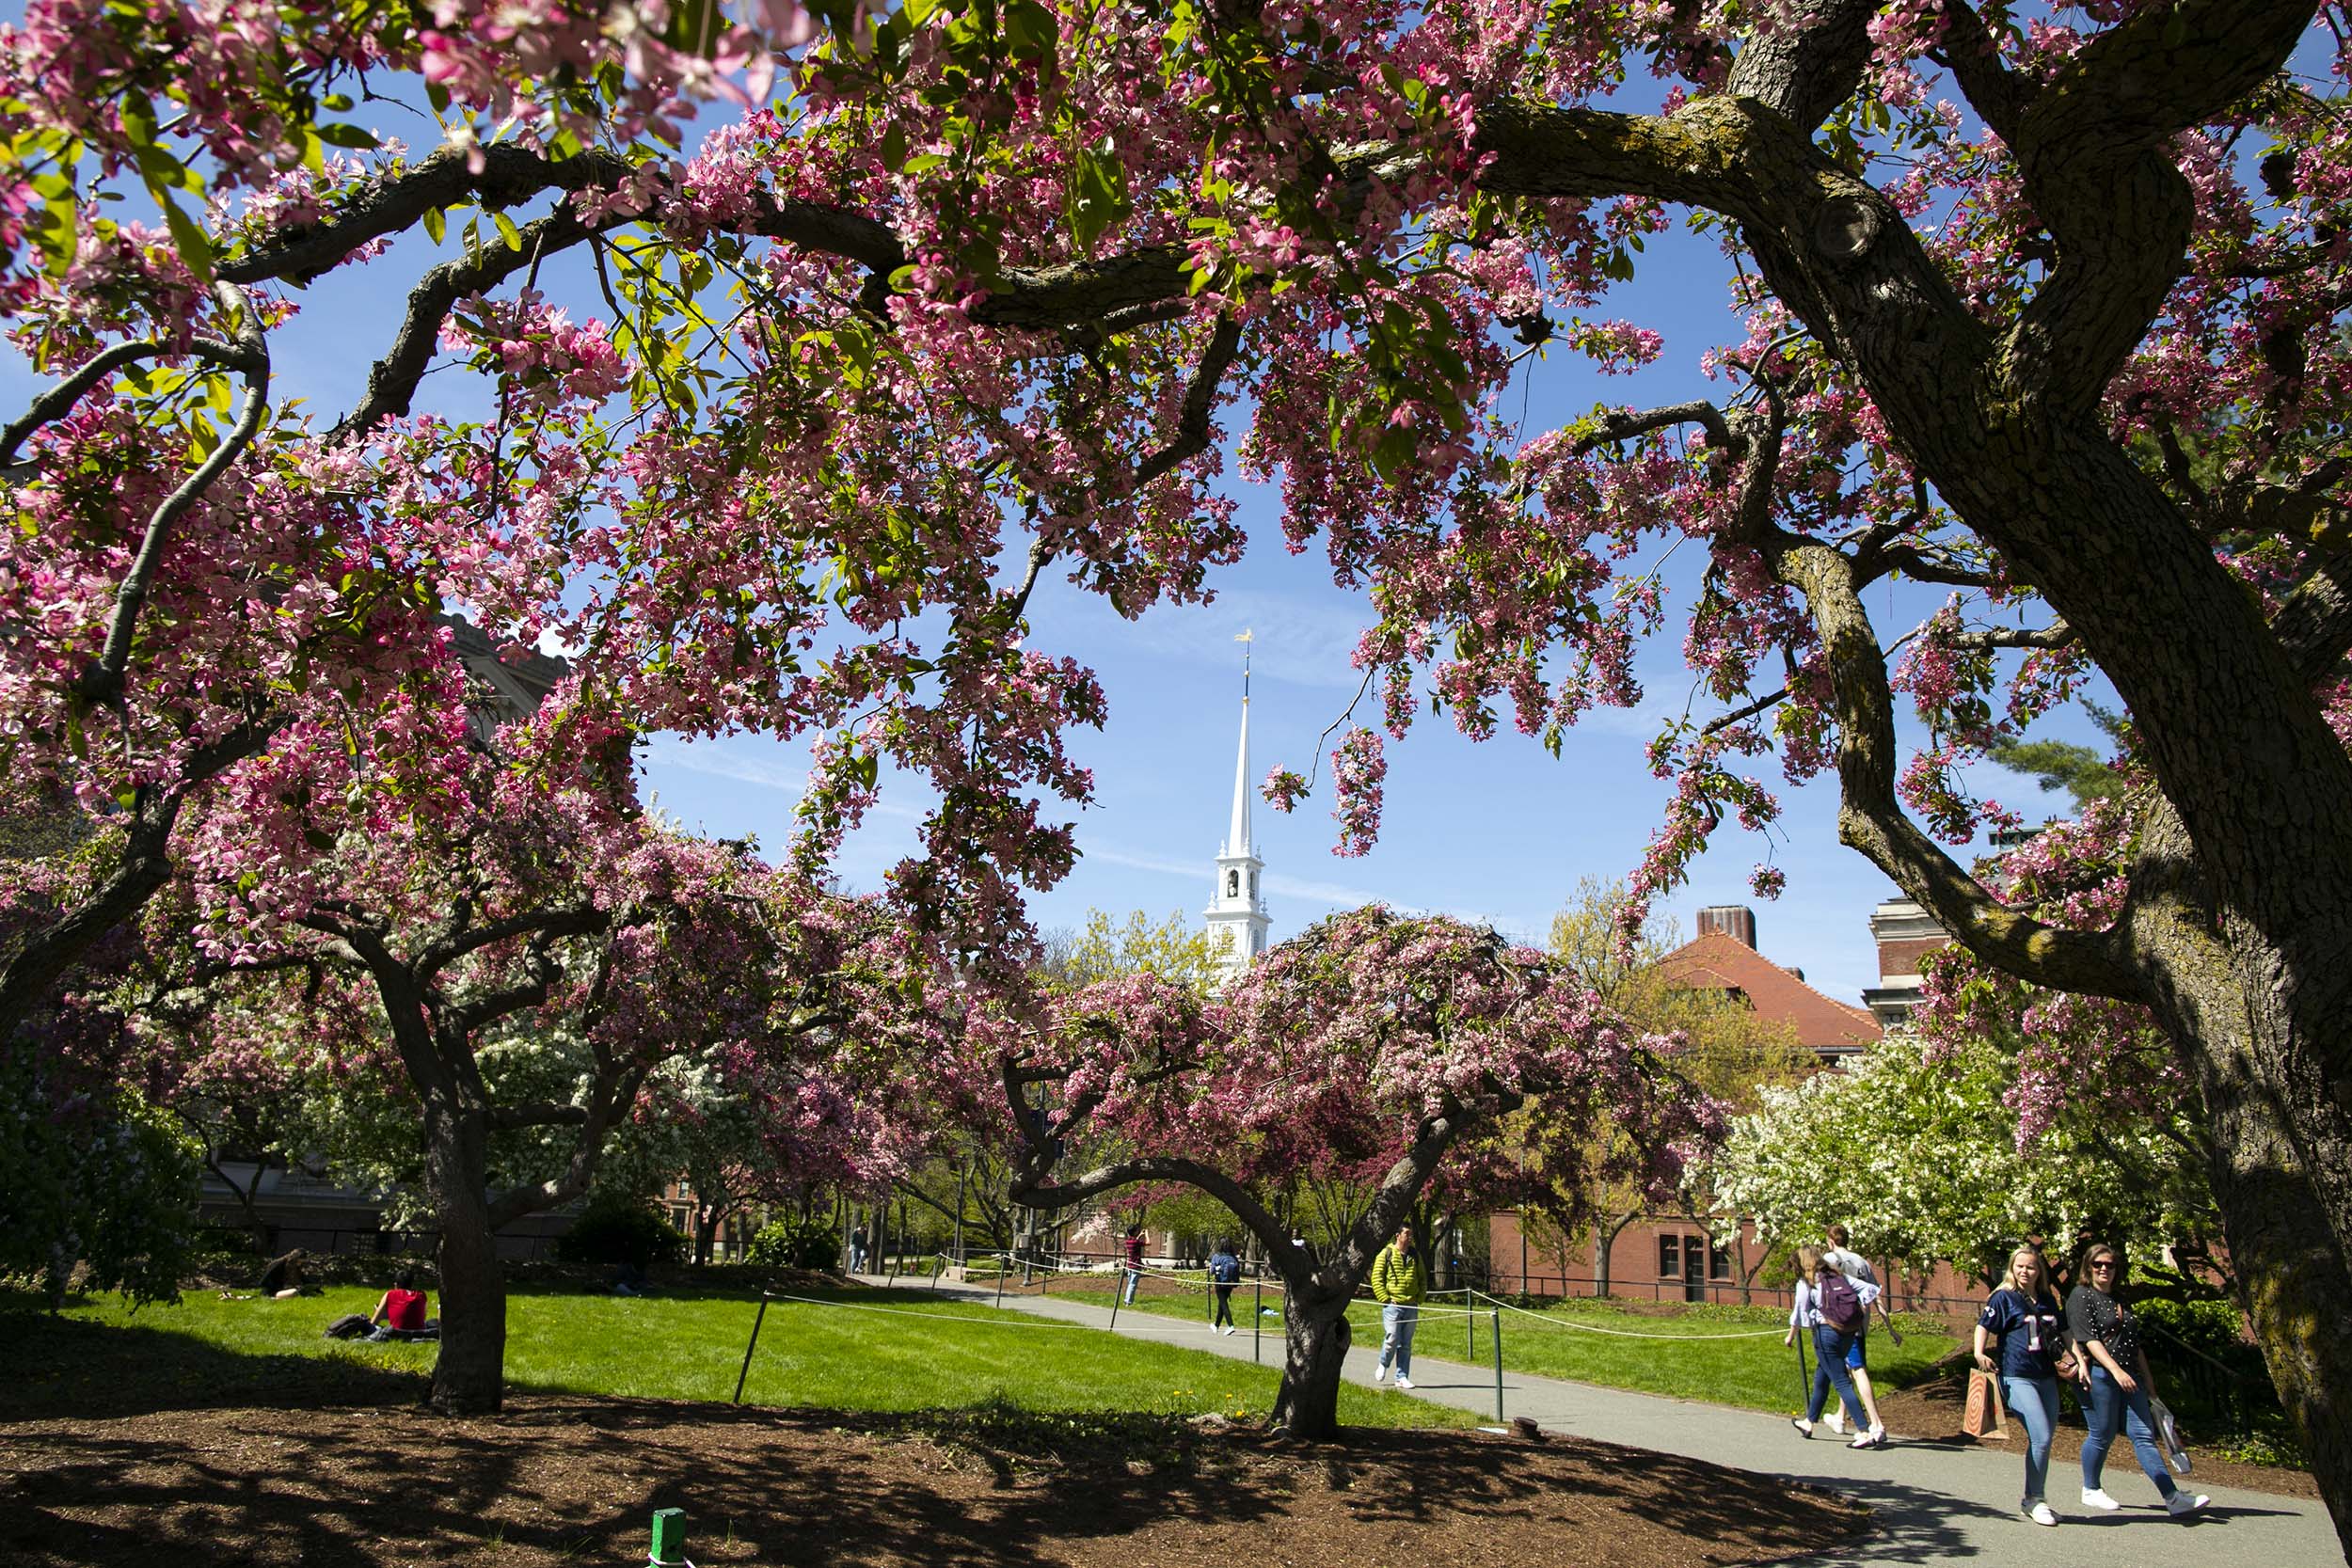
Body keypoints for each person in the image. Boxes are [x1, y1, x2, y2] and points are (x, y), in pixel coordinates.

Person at [2069, 1243, 2208, 1516]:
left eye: (2109, 1265)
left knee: (2144, 1435)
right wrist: (2116, 1372)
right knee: (2103, 1433)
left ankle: (2172, 1497)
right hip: (2101, 1374)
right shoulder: (2081, 1295)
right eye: (2098, 1264)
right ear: (2088, 1267)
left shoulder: (2121, 1298)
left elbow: (2135, 1344)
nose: (2104, 1269)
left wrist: (2149, 1383)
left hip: (2131, 1376)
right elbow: (2089, 1340)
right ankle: (2091, 1488)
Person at [1974, 1245, 2077, 1527]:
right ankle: (2036, 1499)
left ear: (2038, 1270)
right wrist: (1979, 1352)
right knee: (2041, 1436)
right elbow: (1984, 1325)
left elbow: (2063, 1332)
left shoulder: (2046, 1298)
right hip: (2017, 1375)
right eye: (2020, 1266)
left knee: (2043, 1439)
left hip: (2046, 1376)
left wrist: (2078, 1360)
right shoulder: (2003, 1298)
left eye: (2030, 1266)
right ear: (2012, 1268)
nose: (2025, 1271)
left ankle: (2032, 1498)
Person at [1785, 1244, 1880, 1446]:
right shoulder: (1838, 1276)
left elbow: (1800, 1312)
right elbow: (1869, 1289)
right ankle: (1809, 1421)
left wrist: (1791, 1336)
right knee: (1823, 1375)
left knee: (1842, 1382)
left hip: (1825, 1333)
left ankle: (1864, 1431)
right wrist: (1855, 1309)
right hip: (1847, 1332)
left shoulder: (1807, 1282)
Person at [1820, 1223, 1899, 1440]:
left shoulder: (1830, 1260)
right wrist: (1890, 1328)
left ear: (1831, 1241)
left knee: (1858, 1370)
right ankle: (1839, 1417)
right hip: (1859, 1324)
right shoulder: (1862, 1262)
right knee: (1847, 1370)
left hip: (1840, 1324)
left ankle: (1876, 1424)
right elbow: (1875, 1295)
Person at [1371, 1224, 1423, 1390]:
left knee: (1406, 1344)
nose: (1409, 1237)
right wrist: (1385, 1299)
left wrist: (1420, 1297)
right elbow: (1377, 1277)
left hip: (1411, 1305)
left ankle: (1402, 1377)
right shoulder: (1386, 1254)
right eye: (1407, 1234)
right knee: (1392, 1338)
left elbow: (1422, 1277)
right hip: (1393, 1305)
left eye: (1411, 1234)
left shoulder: (1415, 1255)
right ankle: (1383, 1363)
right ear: (1398, 1235)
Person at [372, 1268, 430, 1335]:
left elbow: (374, 1321)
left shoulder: (390, 1294)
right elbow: (423, 1316)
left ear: (396, 1285)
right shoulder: (421, 1295)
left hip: (397, 1333)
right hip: (419, 1332)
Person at [1209, 1239, 1242, 1334]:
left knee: (1223, 1304)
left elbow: (1212, 1271)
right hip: (1230, 1284)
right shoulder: (1234, 1258)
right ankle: (1216, 1326)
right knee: (1222, 1304)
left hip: (1220, 1283)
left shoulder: (1217, 1256)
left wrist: (1212, 1268)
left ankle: (1230, 1325)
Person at [1120, 1225, 1145, 1305]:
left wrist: (1140, 1235)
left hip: (1130, 1265)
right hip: (1136, 1265)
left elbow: (1135, 1242)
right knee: (1133, 1284)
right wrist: (1146, 1235)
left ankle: (1127, 1300)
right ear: (1134, 1232)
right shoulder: (1136, 1242)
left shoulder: (1128, 1242)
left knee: (1130, 1283)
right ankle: (1128, 1301)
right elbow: (1148, 1243)